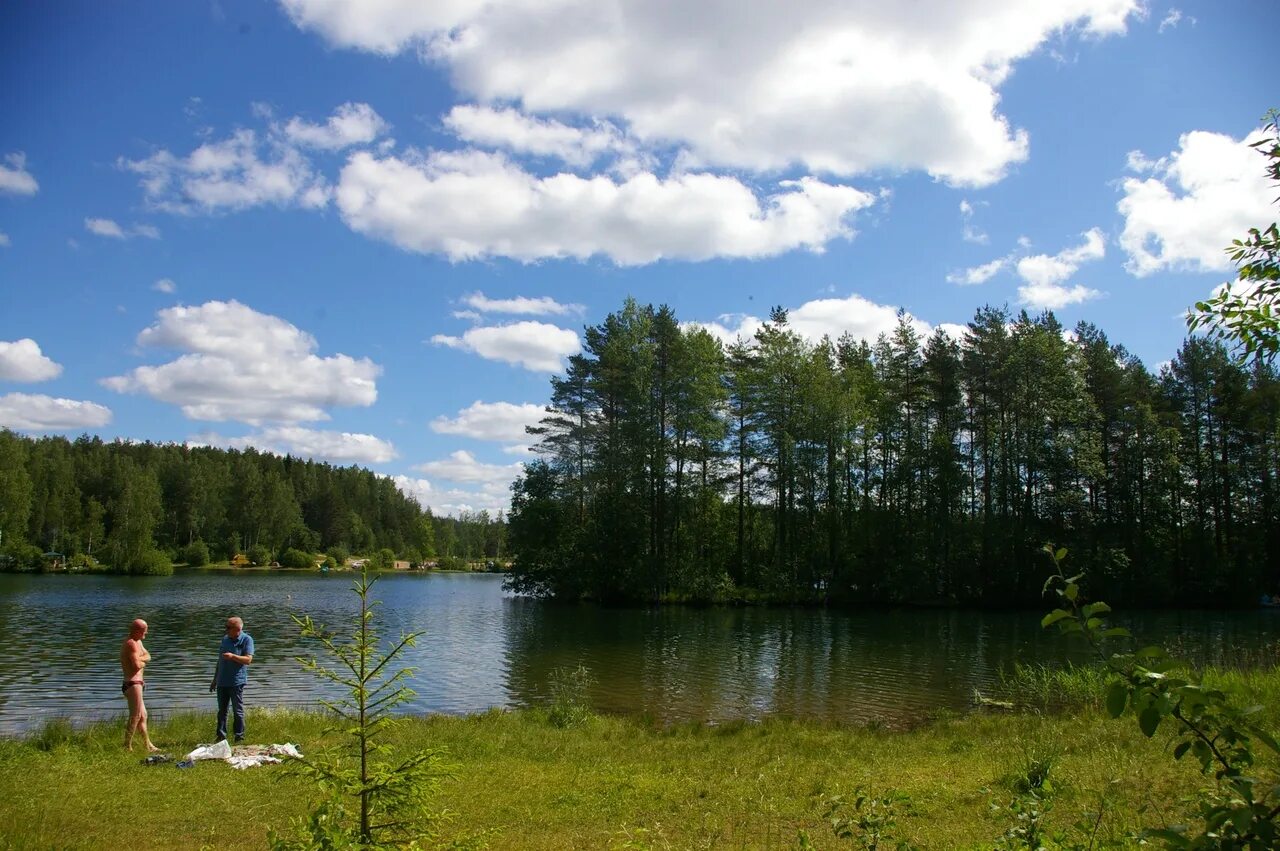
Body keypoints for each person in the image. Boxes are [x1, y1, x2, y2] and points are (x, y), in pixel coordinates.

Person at [212, 615, 254, 743]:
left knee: (238, 710)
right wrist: (214, 679)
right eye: (226, 627)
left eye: (228, 627)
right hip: (222, 681)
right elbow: (219, 661)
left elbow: (248, 660)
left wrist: (232, 657)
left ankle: (239, 737)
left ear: (237, 629)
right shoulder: (225, 639)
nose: (226, 630)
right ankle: (221, 737)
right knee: (222, 711)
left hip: (236, 682)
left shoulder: (246, 640)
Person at [120, 618, 159, 752]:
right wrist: (141, 660)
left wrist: (141, 658)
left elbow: (148, 656)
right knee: (135, 716)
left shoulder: (138, 642)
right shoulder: (131, 643)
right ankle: (127, 746)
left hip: (138, 683)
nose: (146, 633)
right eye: (144, 631)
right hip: (132, 684)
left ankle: (148, 745)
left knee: (143, 716)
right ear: (137, 630)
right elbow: (136, 665)